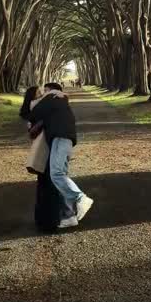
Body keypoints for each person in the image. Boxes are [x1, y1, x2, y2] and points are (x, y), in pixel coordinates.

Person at [24, 82, 94, 228]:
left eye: (44, 91)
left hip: (58, 140)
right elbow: (31, 116)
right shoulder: (57, 101)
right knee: (59, 178)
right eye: (39, 93)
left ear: (50, 91)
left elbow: (34, 113)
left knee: (56, 175)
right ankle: (68, 215)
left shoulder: (54, 99)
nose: (42, 94)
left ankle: (80, 198)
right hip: (53, 144)